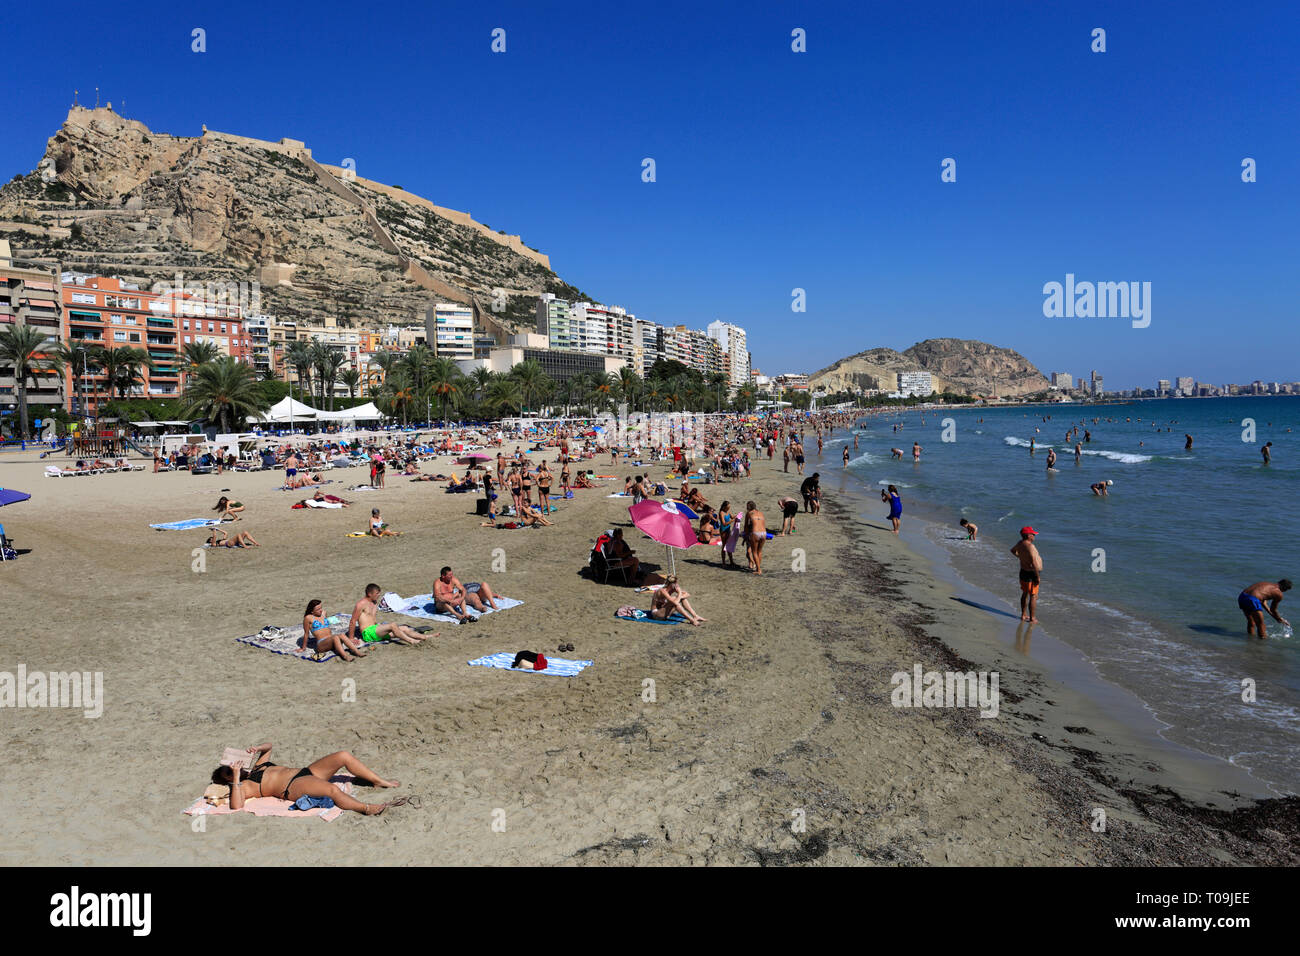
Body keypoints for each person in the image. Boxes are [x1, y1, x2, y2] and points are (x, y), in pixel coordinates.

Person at [212, 743, 408, 816]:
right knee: (332, 791)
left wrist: (256, 749)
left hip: (307, 772)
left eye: (230, 767)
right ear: (228, 780)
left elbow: (269, 747)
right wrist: (236, 777)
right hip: (293, 786)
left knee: (343, 755)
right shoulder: (243, 785)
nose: (233, 769)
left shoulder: (258, 766)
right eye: (228, 772)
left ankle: (378, 781)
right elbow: (236, 806)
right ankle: (365, 808)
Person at [348, 584, 426, 645]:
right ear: (369, 594)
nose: (379, 595)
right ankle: (411, 641)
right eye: (377, 593)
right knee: (392, 625)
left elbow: (372, 619)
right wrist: (351, 638)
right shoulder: (360, 604)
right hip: (368, 633)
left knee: (404, 628)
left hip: (375, 630)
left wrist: (380, 626)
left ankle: (425, 637)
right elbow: (353, 621)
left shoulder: (374, 602)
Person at [301, 598, 366, 661]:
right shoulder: (308, 618)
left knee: (342, 635)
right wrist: (303, 648)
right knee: (335, 637)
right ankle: (345, 656)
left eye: (321, 607)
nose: (320, 610)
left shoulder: (323, 613)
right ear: (312, 611)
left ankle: (357, 652)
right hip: (322, 644)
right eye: (318, 609)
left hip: (332, 641)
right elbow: (306, 634)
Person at [434, 566, 499, 621]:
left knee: (461, 595)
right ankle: (457, 615)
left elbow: (463, 589)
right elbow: (438, 597)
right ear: (443, 576)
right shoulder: (437, 583)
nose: (451, 576)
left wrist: (460, 598)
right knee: (443, 602)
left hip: (453, 601)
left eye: (452, 574)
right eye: (449, 575)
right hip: (441, 605)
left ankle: (465, 613)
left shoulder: (453, 580)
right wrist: (450, 601)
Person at [1010, 526, 1043, 623]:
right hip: (1031, 573)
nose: (1034, 536)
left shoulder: (1020, 543)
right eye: (1033, 534)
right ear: (1028, 535)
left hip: (1023, 571)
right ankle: (1032, 618)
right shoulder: (1030, 546)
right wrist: (1037, 577)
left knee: (1025, 593)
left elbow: (1012, 550)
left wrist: (1021, 558)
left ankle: (1023, 614)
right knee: (1033, 595)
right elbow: (1034, 563)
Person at [745, 500, 766, 574]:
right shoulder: (761, 513)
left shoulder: (749, 513)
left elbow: (746, 526)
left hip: (755, 532)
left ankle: (759, 570)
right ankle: (758, 567)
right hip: (764, 533)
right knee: (759, 551)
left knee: (754, 552)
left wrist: (746, 535)